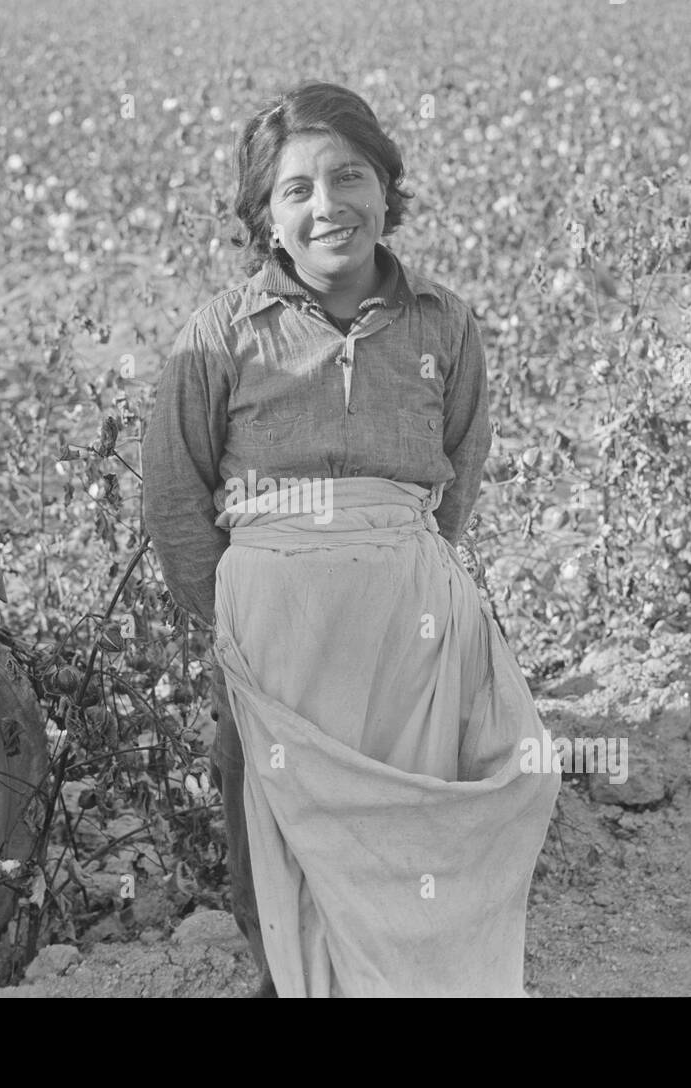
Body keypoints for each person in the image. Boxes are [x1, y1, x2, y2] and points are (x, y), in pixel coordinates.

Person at [143, 81, 559, 997]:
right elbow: (176, 498)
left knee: (428, 816)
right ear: (267, 218)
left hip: (411, 635)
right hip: (274, 643)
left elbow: (456, 470)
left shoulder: (443, 322)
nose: (328, 205)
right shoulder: (217, 337)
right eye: (297, 191)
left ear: (385, 188)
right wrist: (237, 622)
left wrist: (395, 572)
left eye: (349, 176)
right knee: (280, 830)